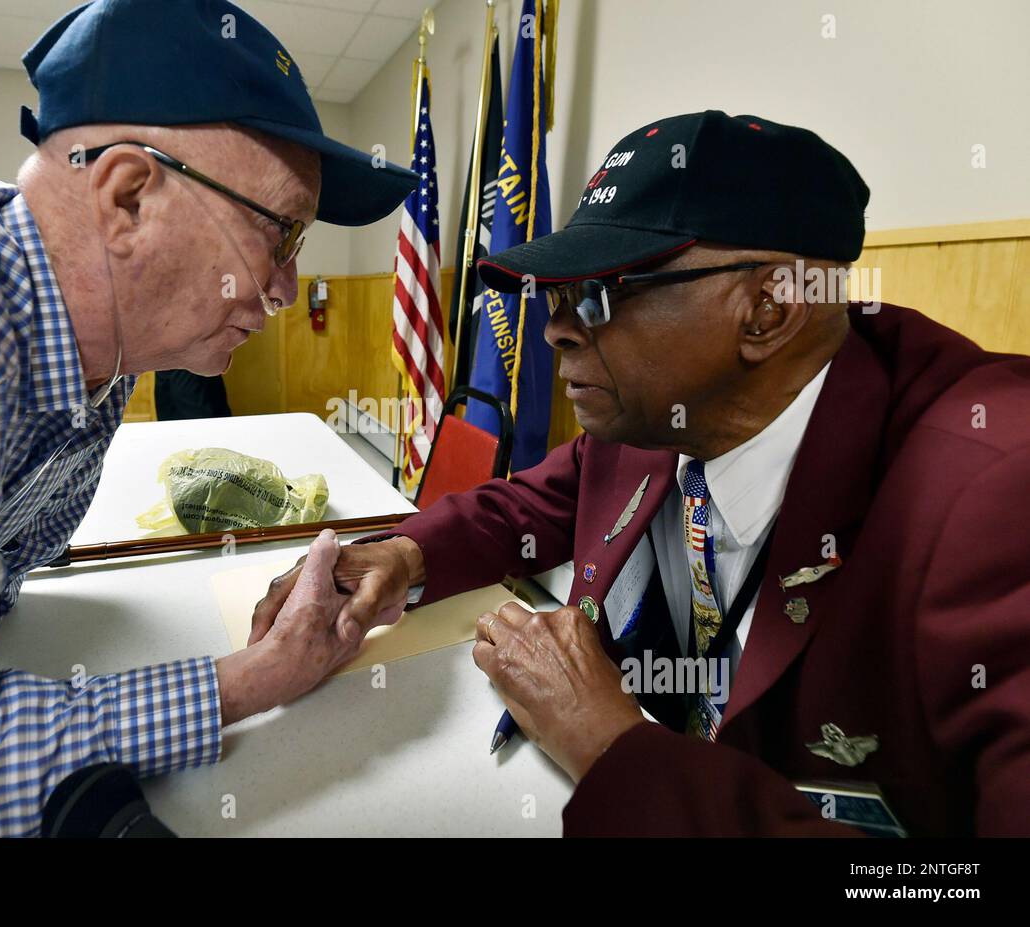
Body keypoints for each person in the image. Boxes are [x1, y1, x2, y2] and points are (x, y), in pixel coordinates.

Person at [0, 0, 415, 835]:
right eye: (279, 234)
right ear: (128, 196)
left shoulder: (88, 333)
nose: (282, 286)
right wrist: (258, 675)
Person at [253, 111, 1030, 836]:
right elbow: (528, 507)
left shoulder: (998, 494)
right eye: (556, 292)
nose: (554, 327)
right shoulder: (661, 413)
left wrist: (611, 747)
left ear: (769, 308)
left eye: (599, 293)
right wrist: (402, 556)